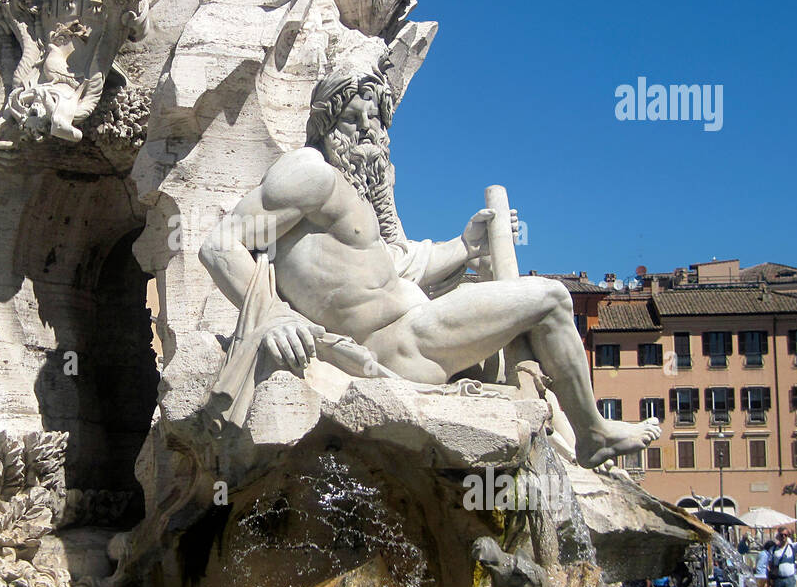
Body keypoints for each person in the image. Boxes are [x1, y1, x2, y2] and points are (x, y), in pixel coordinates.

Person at [201, 46, 661, 468]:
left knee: (517, 320)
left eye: (376, 119)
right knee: (553, 298)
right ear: (326, 125)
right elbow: (220, 245)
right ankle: (593, 433)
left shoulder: (358, 192)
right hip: (398, 344)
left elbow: (399, 270)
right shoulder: (309, 174)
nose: (367, 129)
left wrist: (465, 246)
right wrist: (276, 317)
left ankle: (568, 433)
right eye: (352, 119)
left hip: (416, 330)